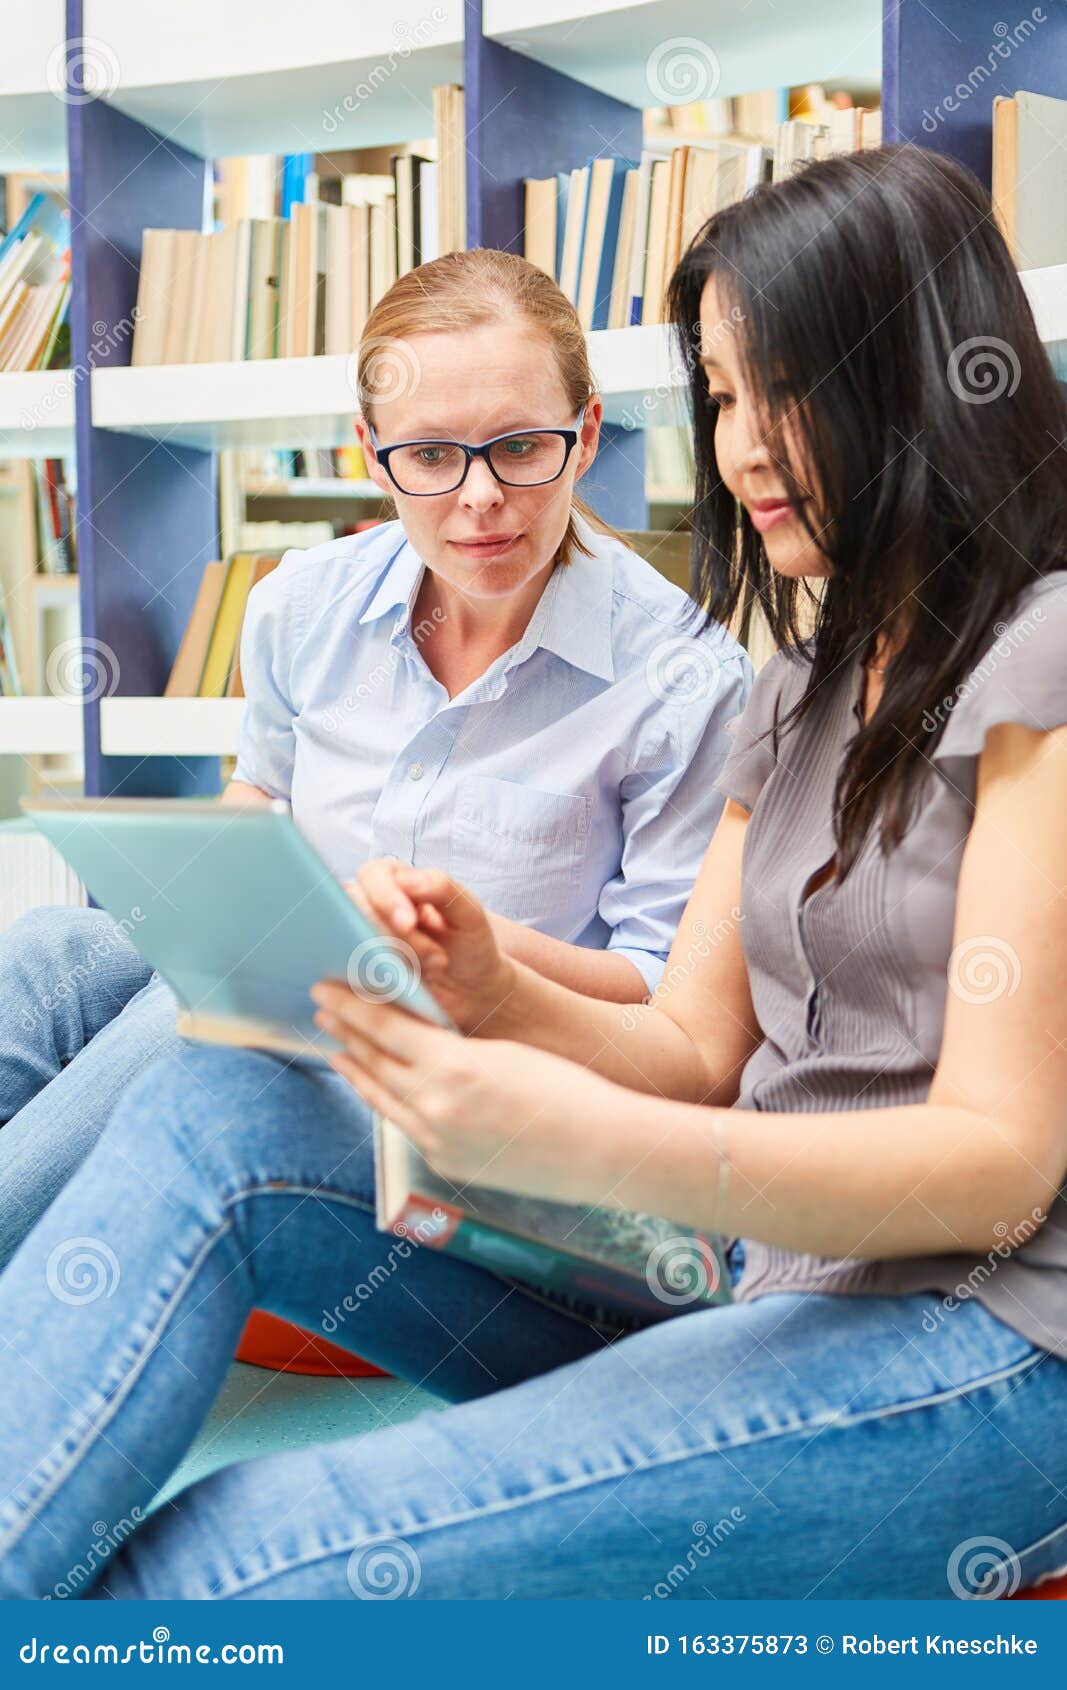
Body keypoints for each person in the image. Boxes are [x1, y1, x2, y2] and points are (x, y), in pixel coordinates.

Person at [2, 144, 1065, 1602]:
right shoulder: (796, 684)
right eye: (719, 396)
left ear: (928, 375)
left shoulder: (1037, 660)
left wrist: (559, 1134)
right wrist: (496, 982)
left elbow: (998, 1167)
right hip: (753, 1267)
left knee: (225, 1570)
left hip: (982, 1338)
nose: (741, 448)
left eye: (787, 387)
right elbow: (691, 1048)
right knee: (212, 1095)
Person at [0, 246, 749, 1268]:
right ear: (369, 449)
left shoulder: (685, 678)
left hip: (478, 1065)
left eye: (519, 447)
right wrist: (223, 888)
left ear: (583, 436)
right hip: (300, 988)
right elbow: (257, 796)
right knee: (51, 950)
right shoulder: (301, 606)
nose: (479, 497)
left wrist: (470, 947)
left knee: (198, 1017)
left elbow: (660, 1000)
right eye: (431, 457)